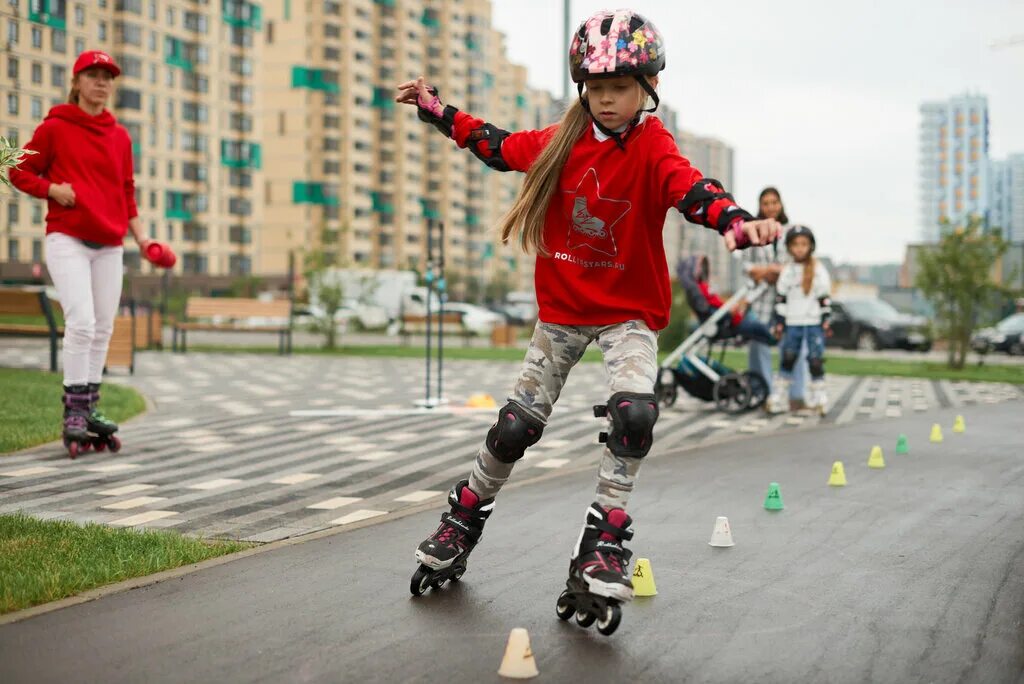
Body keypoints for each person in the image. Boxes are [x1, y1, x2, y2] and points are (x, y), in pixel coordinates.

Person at [396, 8, 781, 628]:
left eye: (620, 87)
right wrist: (438, 111)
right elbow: (494, 145)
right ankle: (462, 517)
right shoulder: (561, 141)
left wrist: (735, 221)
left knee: (635, 413)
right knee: (516, 426)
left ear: (648, 86)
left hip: (628, 315)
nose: (606, 99)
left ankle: (603, 543)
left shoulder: (653, 145)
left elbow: (691, 188)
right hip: (563, 313)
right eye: (596, 87)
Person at [8, 50, 149, 455]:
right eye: (93, 75)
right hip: (67, 238)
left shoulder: (120, 137)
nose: (101, 82)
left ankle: (89, 409)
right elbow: (18, 169)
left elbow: (126, 191)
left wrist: (142, 239)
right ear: (76, 82)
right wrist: (51, 189)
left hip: (109, 244)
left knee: (103, 327)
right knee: (82, 322)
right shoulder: (54, 128)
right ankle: (73, 411)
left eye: (108, 76)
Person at [743, 187, 809, 408]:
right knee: (758, 344)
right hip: (760, 298)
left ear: (780, 205)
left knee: (793, 345)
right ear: (760, 206)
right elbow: (747, 266)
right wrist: (766, 272)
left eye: (774, 202)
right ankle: (765, 393)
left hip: (787, 299)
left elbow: (798, 264)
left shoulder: (792, 232)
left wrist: (776, 272)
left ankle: (796, 395)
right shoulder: (752, 231)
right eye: (766, 203)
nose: (770, 207)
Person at [766, 226, 832, 415]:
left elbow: (824, 297)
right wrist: (780, 321)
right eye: (795, 244)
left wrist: (826, 319)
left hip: (813, 322)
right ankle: (779, 397)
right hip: (792, 322)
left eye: (804, 244)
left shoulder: (818, 269)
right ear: (789, 247)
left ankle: (819, 397)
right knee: (788, 358)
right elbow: (781, 297)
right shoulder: (788, 271)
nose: (800, 248)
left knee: (815, 360)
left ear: (811, 246)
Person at [693, 254, 775, 345]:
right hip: (732, 323)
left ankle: (771, 337)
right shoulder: (702, 288)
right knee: (757, 327)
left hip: (732, 319)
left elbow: (717, 303)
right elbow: (716, 304)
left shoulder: (701, 288)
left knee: (757, 330)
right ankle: (773, 338)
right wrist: (730, 310)